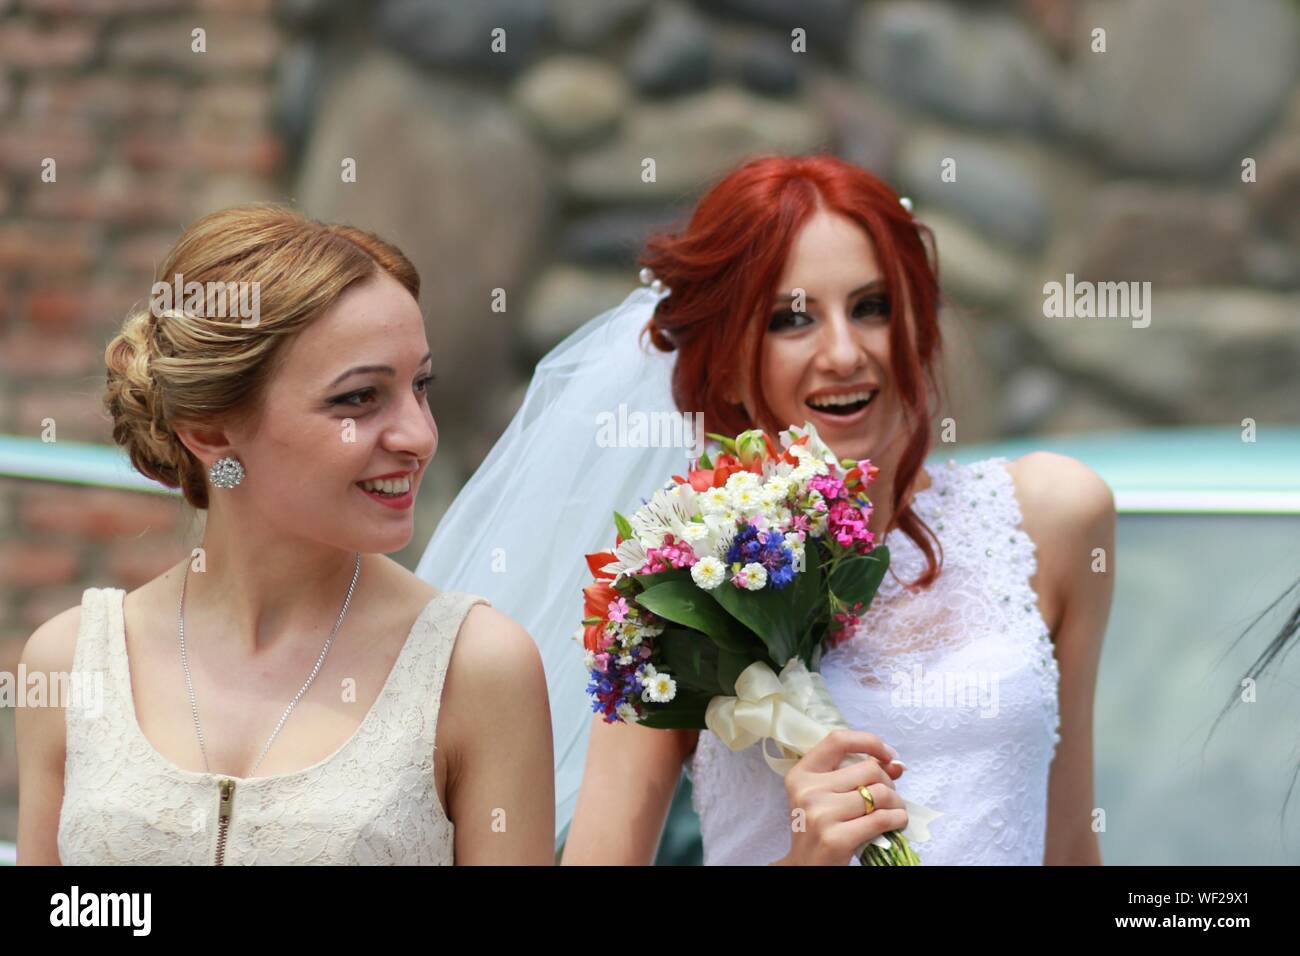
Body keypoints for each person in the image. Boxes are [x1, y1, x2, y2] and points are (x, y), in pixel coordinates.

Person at [425, 153, 1113, 865]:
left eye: (871, 307)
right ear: (726, 360)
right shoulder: (675, 588)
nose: (845, 353)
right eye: (793, 319)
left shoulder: (1054, 518)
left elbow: (1069, 845)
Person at [15, 204, 554, 865]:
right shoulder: (71, 662)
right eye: (358, 398)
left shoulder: (478, 669)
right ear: (210, 431)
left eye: (420, 386)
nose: (418, 435)